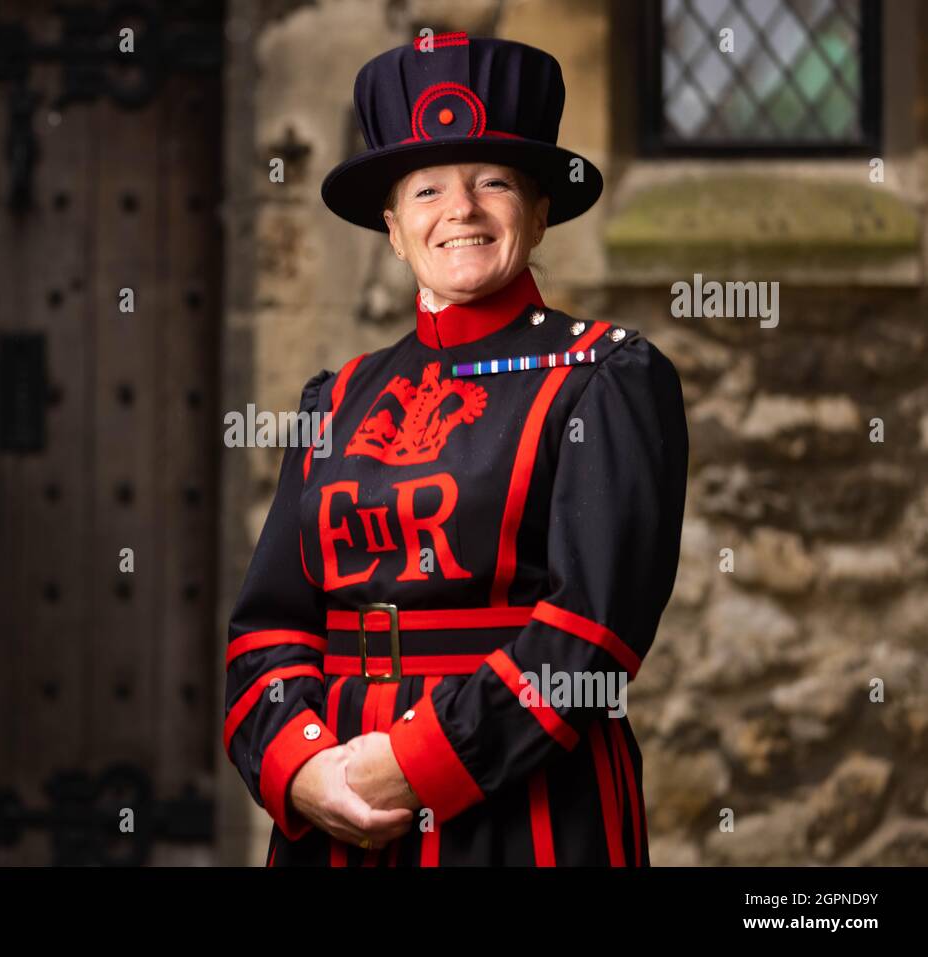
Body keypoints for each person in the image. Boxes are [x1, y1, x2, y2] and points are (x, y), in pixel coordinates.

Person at [222, 32, 689, 866]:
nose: (461, 210)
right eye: (427, 188)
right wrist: (300, 769)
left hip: (527, 804)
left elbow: (591, 634)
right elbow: (268, 628)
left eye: (494, 182)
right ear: (394, 230)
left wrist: (417, 763)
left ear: (540, 212)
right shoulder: (335, 399)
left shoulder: (606, 376)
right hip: (339, 803)